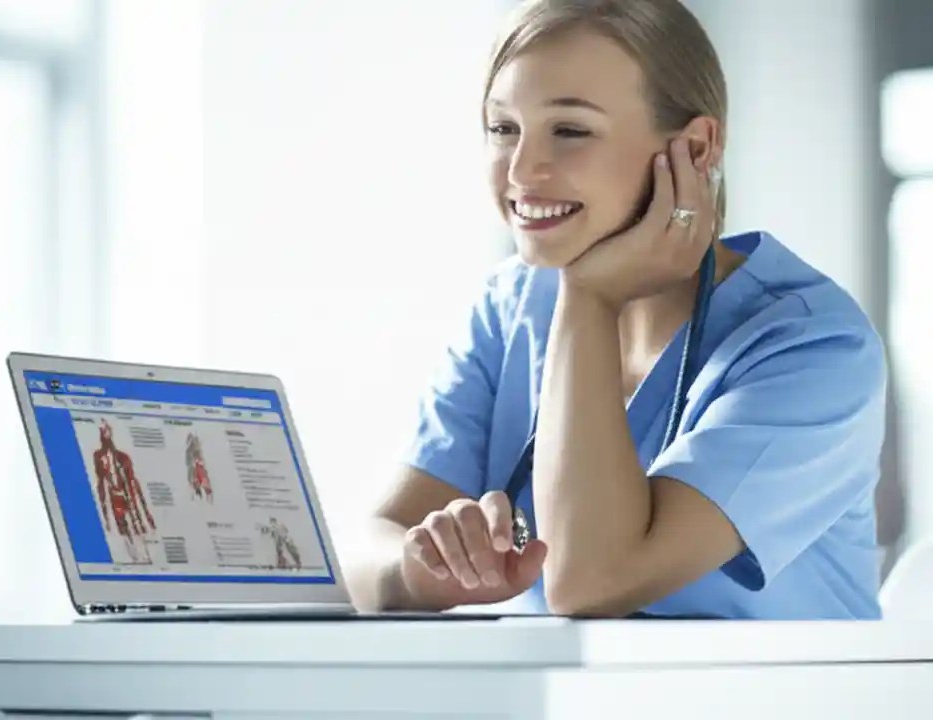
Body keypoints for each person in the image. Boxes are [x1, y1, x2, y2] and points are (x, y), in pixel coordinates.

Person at [345, 0, 886, 619]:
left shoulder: (814, 348)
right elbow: (367, 551)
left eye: (570, 130)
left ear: (697, 147)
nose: (522, 170)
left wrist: (590, 297)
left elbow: (589, 583)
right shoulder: (511, 307)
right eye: (503, 129)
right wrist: (421, 570)